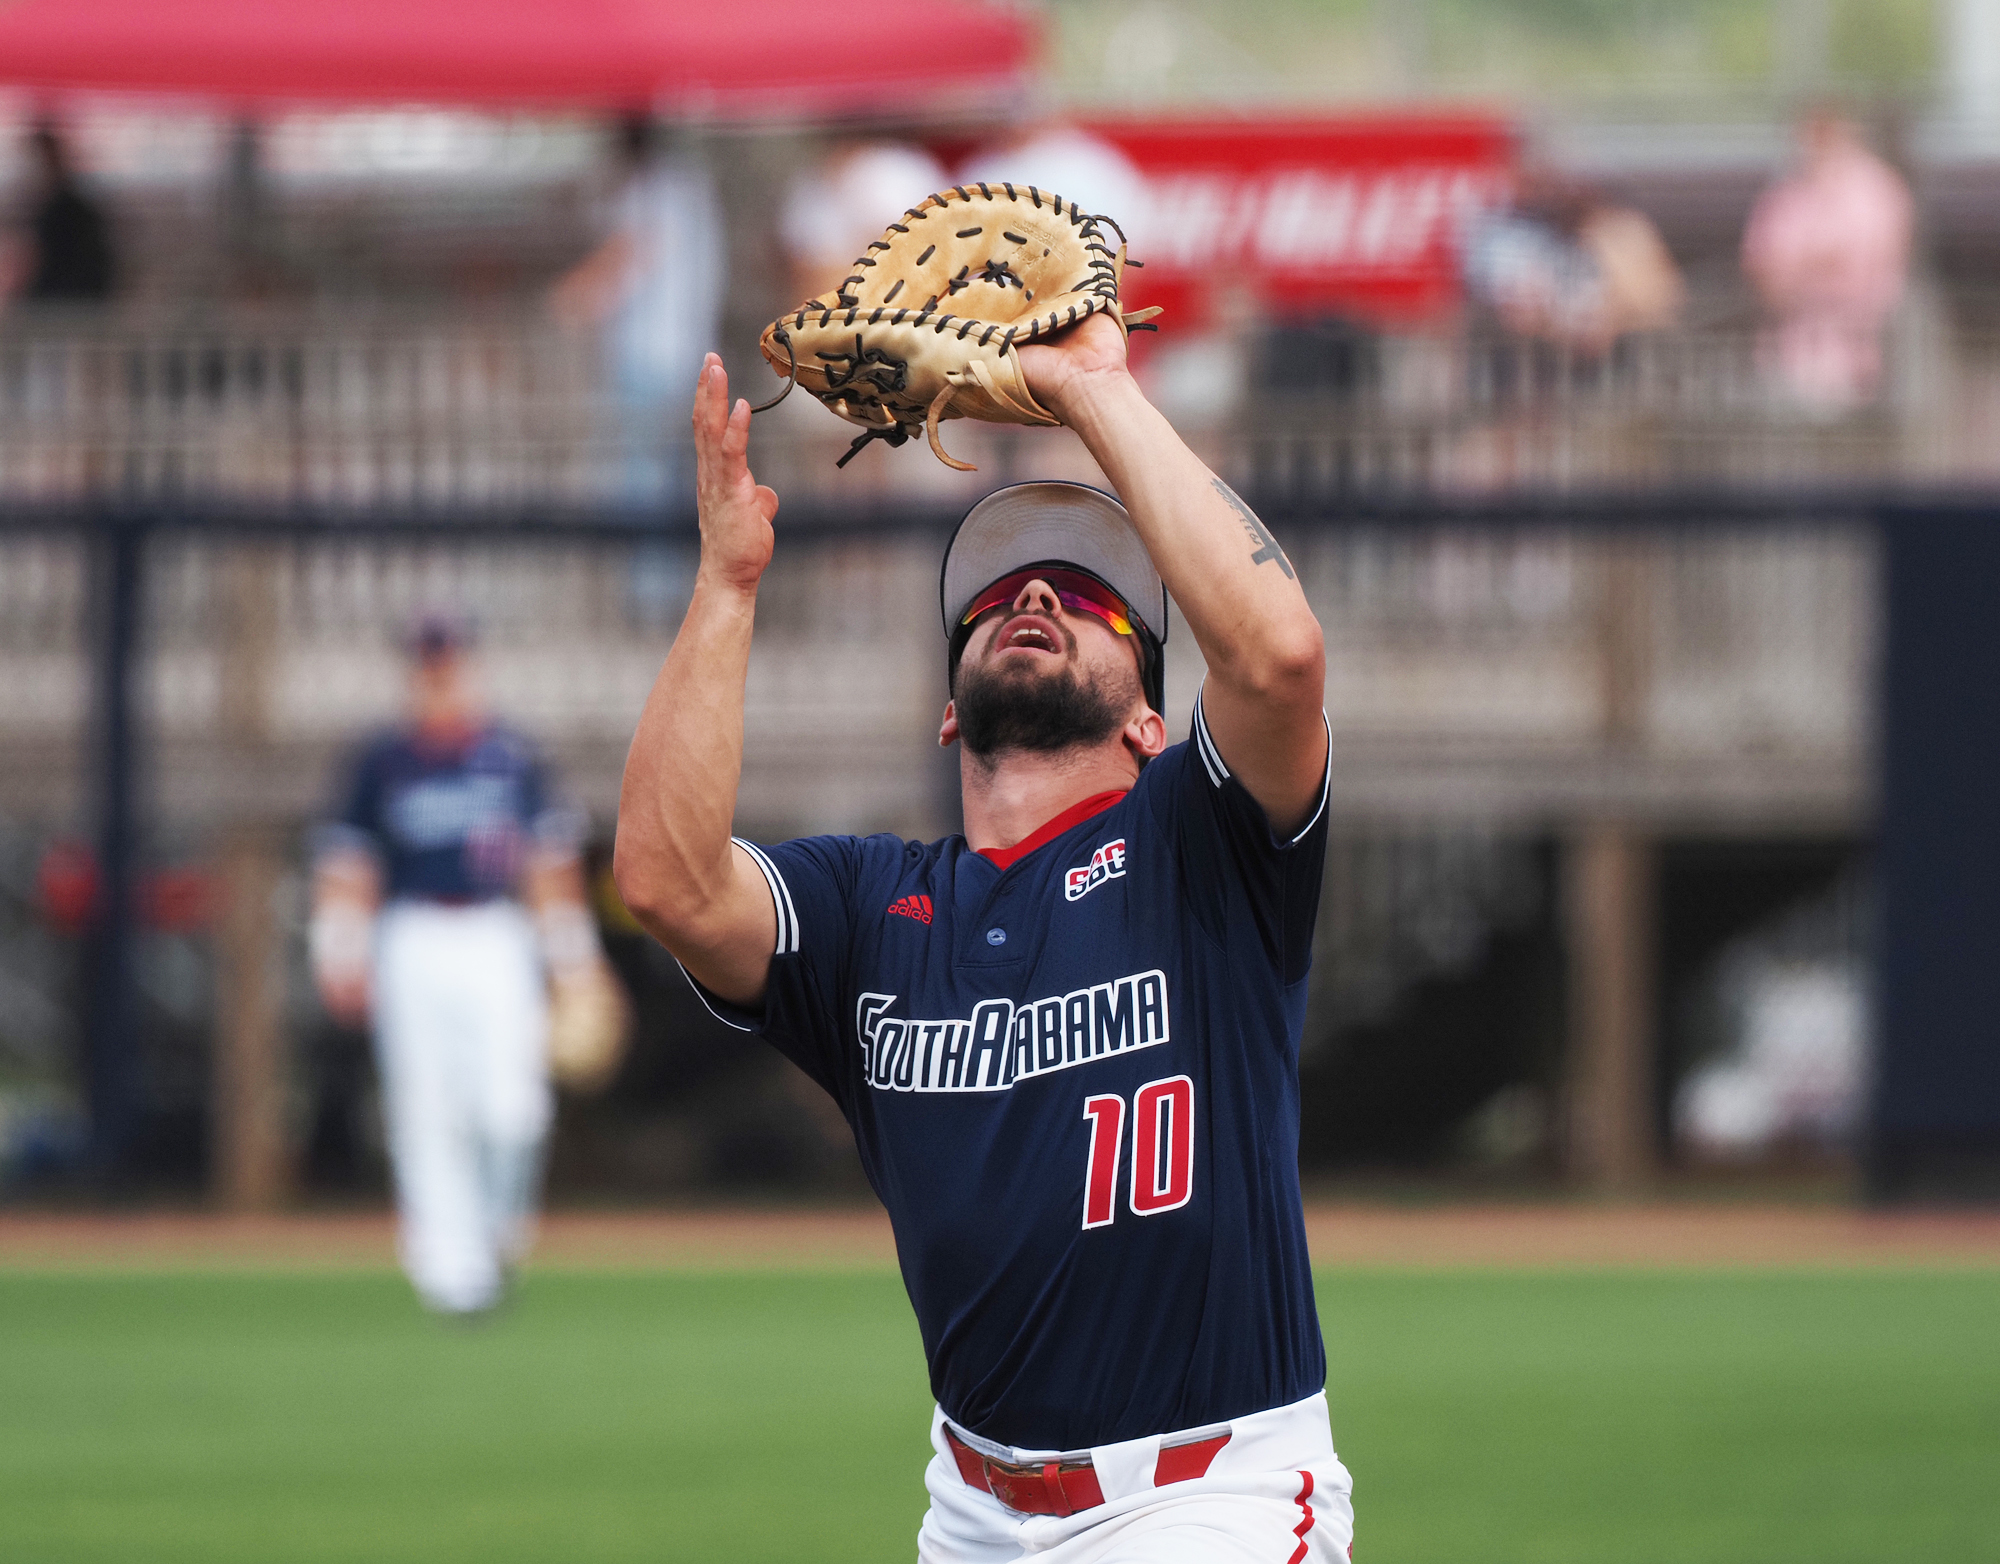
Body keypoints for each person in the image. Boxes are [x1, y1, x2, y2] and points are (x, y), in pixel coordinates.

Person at [615, 308, 1351, 1561]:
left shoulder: (1202, 845)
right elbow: (669, 882)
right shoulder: (869, 910)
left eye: (1093, 603)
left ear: (1148, 726)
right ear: (951, 715)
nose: (1037, 599)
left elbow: (1278, 657)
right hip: (970, 1512)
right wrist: (727, 584)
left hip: (1207, 1500)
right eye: (1002, 595)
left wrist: (1092, 391)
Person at [310, 616, 611, 1317]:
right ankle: (450, 1272)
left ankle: (499, 1235)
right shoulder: (381, 759)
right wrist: (339, 948)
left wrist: (575, 961)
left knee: (515, 1110)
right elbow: (348, 863)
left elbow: (549, 865)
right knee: (424, 1108)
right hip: (411, 933)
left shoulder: (510, 755)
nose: (437, 677)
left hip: (494, 935)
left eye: (447, 663)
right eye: (427, 665)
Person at [551, 115, 725, 509]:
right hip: (685, 353)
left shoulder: (653, 187)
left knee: (645, 487)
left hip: (651, 358)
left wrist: (572, 300)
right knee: (674, 479)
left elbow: (627, 256)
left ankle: (654, 572)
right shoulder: (685, 183)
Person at [1741, 111, 1912, 411]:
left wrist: (1803, 267)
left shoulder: (1875, 190)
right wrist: (1807, 267)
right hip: (1789, 345)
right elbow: (1763, 265)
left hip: (1855, 345)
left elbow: (1859, 263)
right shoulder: (1788, 190)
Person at [6, 119, 116, 304]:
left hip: (66, 304)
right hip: (69, 301)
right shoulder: (63, 203)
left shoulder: (67, 207)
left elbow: (38, 259)